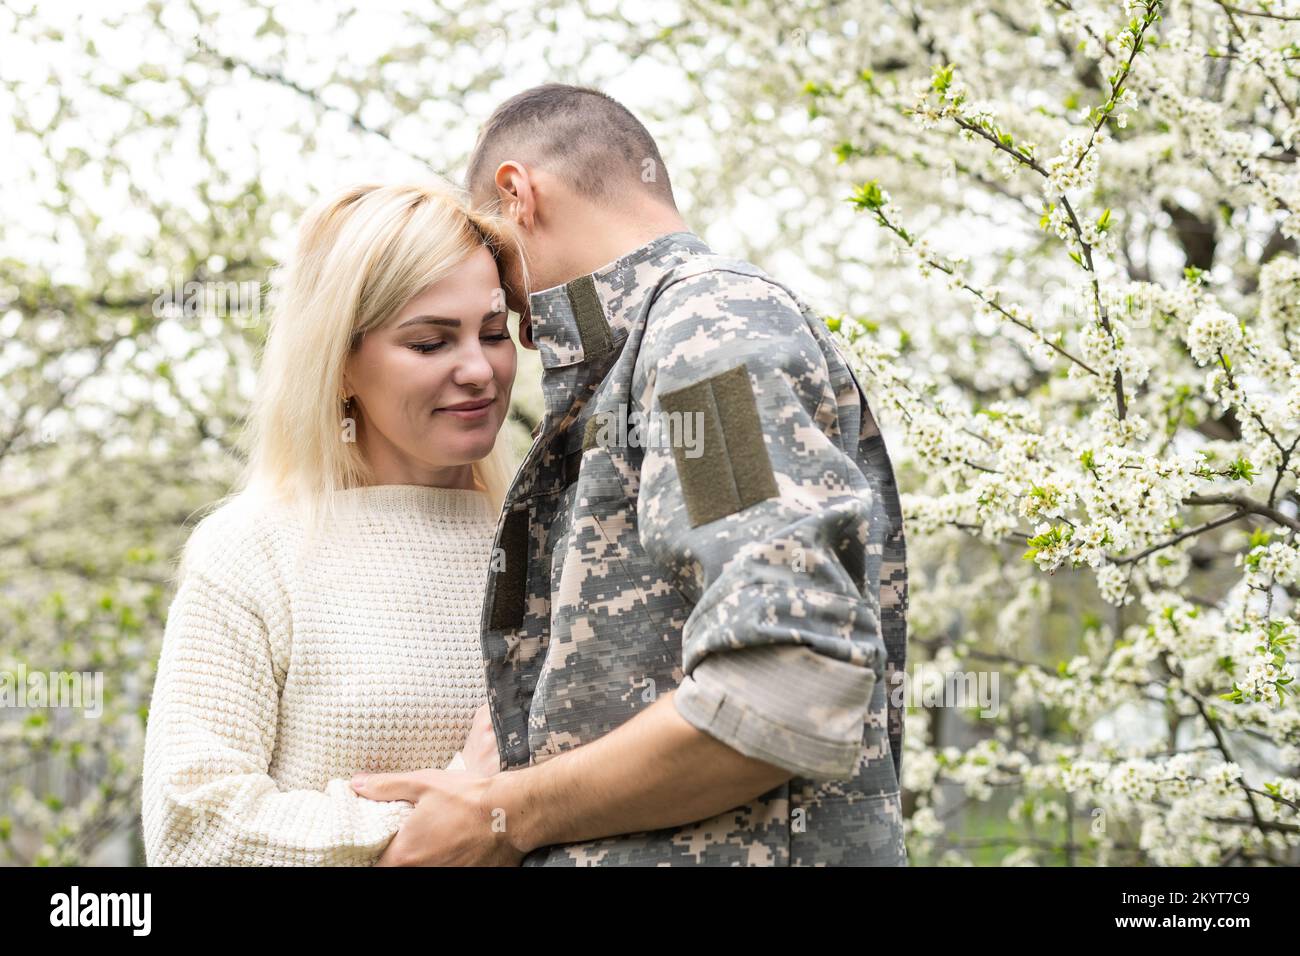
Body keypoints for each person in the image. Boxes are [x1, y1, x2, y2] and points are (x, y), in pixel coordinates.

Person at [352, 84, 910, 866]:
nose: (509, 310)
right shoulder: (652, 350)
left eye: (490, 245)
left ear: (517, 194)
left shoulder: (708, 337)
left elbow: (786, 683)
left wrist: (501, 816)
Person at [141, 181, 515, 865]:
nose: (478, 370)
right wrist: (438, 823)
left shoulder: (548, 539)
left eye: (494, 334)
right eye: (430, 342)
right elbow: (193, 826)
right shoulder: (253, 552)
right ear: (341, 362)